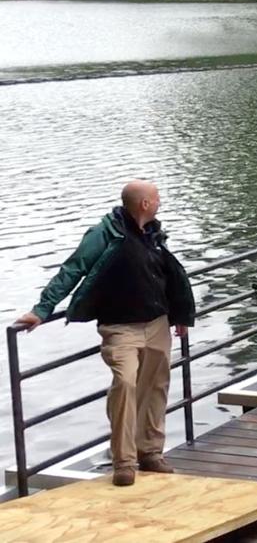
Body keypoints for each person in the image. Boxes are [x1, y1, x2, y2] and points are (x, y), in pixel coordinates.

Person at [14, 181, 195, 487]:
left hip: (157, 324)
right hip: (120, 327)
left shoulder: (153, 233)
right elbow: (73, 268)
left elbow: (167, 275)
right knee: (125, 383)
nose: (160, 202)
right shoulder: (105, 233)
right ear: (145, 204)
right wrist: (42, 309)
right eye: (157, 198)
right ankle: (123, 461)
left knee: (155, 387)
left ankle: (150, 452)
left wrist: (180, 315)